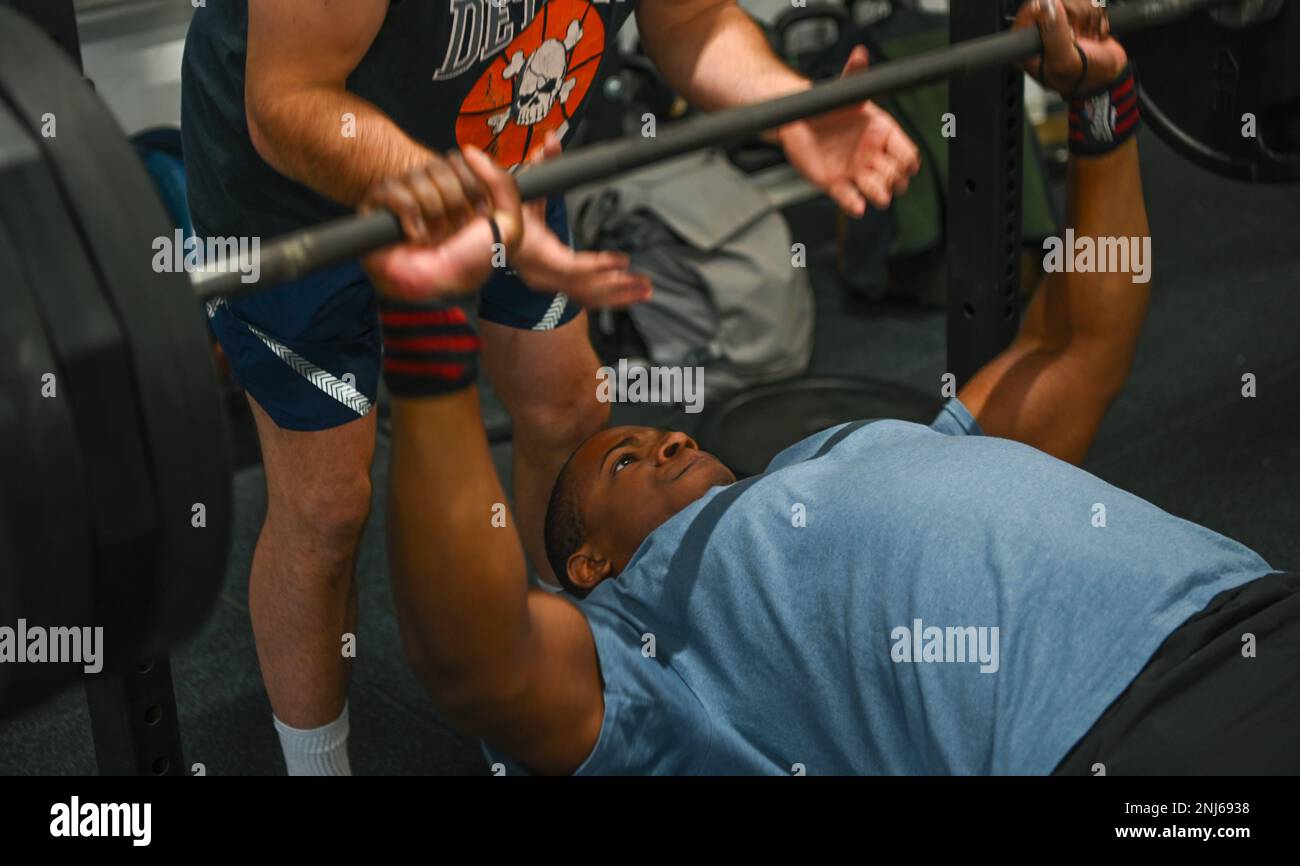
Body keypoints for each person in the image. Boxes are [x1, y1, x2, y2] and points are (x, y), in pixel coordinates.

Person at [367, 0, 1297, 775]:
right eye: (626, 457)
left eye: (656, 433)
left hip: (1253, 609)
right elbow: (478, 661)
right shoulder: (648, 655)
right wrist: (425, 327)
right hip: (1128, 745)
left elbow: (1077, 346)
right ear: (588, 569)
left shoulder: (880, 450)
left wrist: (1102, 106)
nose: (673, 438)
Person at [181, 0, 918, 774]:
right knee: (327, 506)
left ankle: (543, 701)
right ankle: (317, 766)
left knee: (566, 400)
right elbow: (289, 99)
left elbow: (692, 22)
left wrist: (789, 108)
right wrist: (474, 207)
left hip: (500, 142)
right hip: (293, 187)